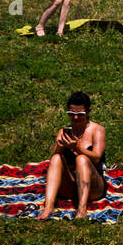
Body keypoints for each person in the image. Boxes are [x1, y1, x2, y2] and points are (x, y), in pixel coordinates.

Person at [34, 91, 107, 220]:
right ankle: (48, 207)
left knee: (82, 159)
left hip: (93, 185)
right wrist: (60, 148)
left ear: (88, 112)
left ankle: (82, 209)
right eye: (71, 114)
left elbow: (96, 158)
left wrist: (77, 148)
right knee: (56, 158)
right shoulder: (64, 132)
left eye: (80, 115)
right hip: (71, 185)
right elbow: (54, 161)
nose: (75, 118)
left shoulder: (97, 130)